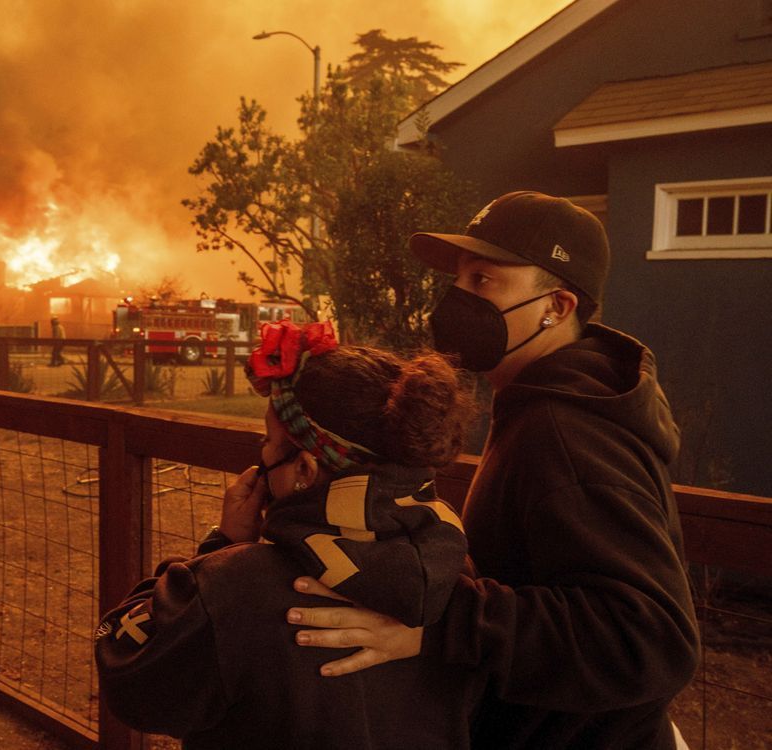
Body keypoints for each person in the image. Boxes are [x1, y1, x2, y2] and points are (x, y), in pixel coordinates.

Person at [285, 191, 700, 750]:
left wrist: (439, 624)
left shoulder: (566, 431)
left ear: (556, 306)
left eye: (483, 280)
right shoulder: (546, 402)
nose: (457, 298)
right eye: (459, 279)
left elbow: (649, 638)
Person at [96, 320, 479, 749]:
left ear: (303, 470)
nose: (261, 456)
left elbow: (128, 677)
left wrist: (220, 548)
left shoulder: (233, 584)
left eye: (268, 442)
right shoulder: (456, 574)